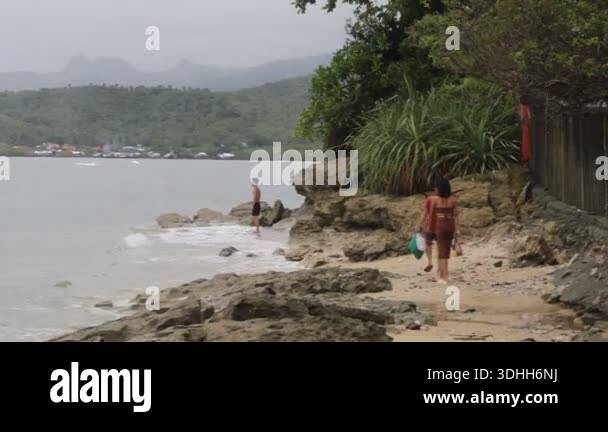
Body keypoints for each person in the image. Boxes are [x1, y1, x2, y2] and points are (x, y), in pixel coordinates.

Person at [417, 178, 460, 283]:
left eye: (436, 187)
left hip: (437, 226)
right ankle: (444, 274)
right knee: (445, 252)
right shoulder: (453, 199)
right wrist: (457, 229)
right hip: (449, 226)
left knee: (439, 252)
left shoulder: (431, 199)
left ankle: (443, 277)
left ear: (439, 188)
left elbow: (425, 213)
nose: (434, 189)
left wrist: (419, 224)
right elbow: (455, 216)